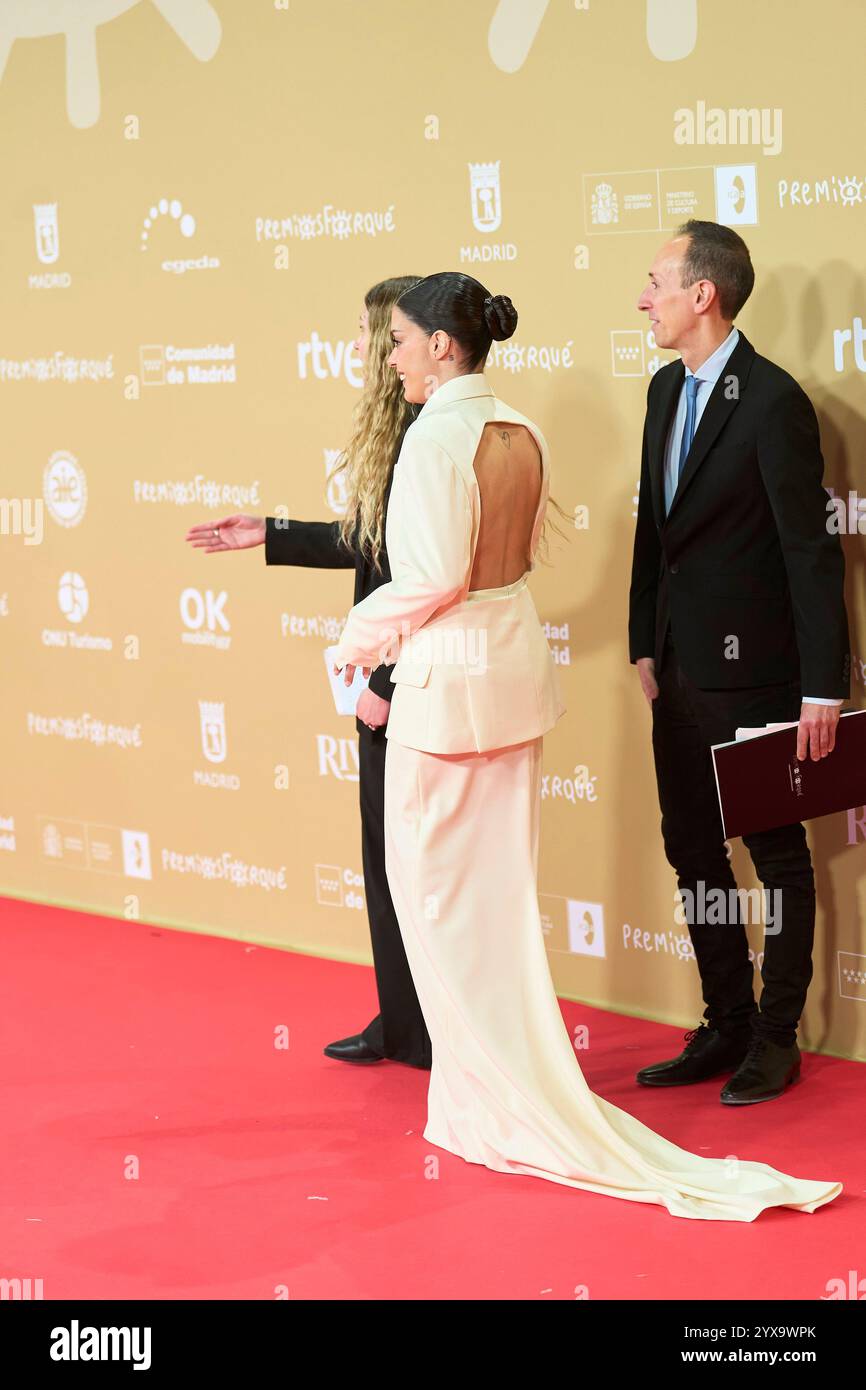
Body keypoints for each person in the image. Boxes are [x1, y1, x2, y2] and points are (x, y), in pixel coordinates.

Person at [330, 270, 842, 1221]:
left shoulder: (439, 436)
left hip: (462, 698)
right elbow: (542, 562)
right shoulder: (520, 427)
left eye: (397, 341)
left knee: (443, 906)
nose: (388, 357)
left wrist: (353, 646)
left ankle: (507, 1096)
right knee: (500, 906)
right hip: (520, 685)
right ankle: (520, 1084)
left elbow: (436, 575)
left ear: (444, 344)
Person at [185, 275, 432, 1070]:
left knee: (413, 864)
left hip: (411, 682)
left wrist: (385, 684)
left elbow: (428, 579)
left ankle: (432, 1034)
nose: (368, 352)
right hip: (391, 679)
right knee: (385, 861)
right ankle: (404, 1024)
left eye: (380, 337)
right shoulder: (401, 432)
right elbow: (369, 543)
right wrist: (271, 531)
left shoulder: (430, 436)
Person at [629, 220, 850, 1104]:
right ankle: (723, 1022)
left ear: (702, 295)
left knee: (777, 859)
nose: (642, 298)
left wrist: (823, 686)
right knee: (693, 851)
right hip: (678, 672)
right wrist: (644, 637)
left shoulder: (771, 401)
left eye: (654, 282)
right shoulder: (657, 392)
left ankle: (774, 1035)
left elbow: (809, 553)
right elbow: (657, 528)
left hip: (757, 677)